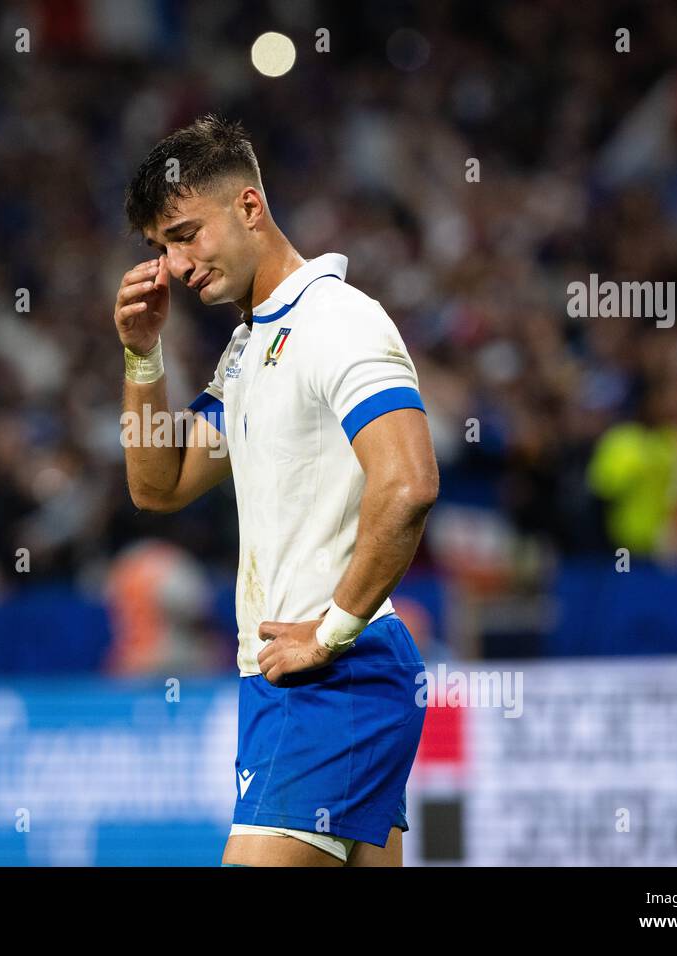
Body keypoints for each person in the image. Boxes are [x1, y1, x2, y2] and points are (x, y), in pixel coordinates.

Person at [115, 115, 438, 866]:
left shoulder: (338, 320)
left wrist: (330, 633)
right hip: (306, 678)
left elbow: (410, 483)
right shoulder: (251, 344)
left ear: (250, 208)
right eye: (162, 247)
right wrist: (141, 358)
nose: (177, 264)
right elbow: (158, 484)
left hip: (329, 675)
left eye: (187, 233)